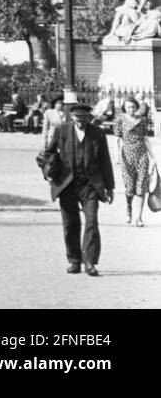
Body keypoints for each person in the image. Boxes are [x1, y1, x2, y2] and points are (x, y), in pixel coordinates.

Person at [43, 96, 115, 276]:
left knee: (92, 221)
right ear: (71, 118)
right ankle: (74, 260)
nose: (81, 123)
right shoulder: (62, 131)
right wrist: (49, 171)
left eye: (84, 120)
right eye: (77, 119)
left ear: (89, 119)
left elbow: (105, 161)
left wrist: (110, 187)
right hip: (67, 184)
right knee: (70, 224)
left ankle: (90, 261)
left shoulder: (97, 133)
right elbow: (48, 153)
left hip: (90, 185)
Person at [114, 96, 154, 227]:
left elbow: (146, 139)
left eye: (132, 106)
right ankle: (129, 206)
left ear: (136, 107)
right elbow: (118, 139)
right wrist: (117, 156)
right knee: (129, 186)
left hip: (141, 154)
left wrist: (153, 157)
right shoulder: (120, 120)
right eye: (128, 107)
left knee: (141, 186)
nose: (130, 109)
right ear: (124, 108)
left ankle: (139, 217)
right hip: (127, 155)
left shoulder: (142, 120)